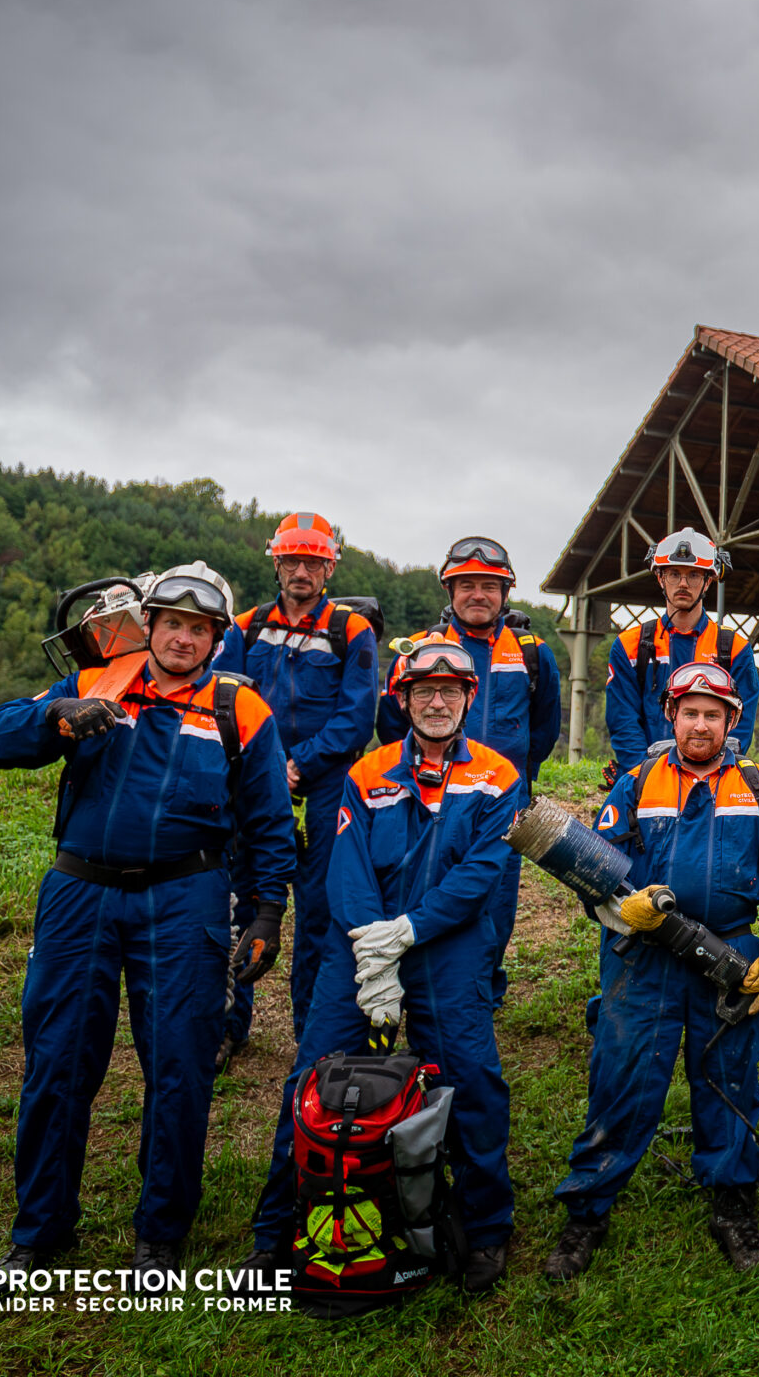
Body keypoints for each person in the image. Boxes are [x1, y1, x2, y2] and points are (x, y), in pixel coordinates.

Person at [0, 563, 293, 1283]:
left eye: (198, 628)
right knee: (57, 1063)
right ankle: (38, 1234)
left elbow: (271, 824)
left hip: (187, 899)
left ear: (217, 639)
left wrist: (266, 910)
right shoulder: (97, 684)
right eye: (171, 623)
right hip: (80, 892)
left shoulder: (241, 709)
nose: (182, 638)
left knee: (180, 1068)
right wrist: (53, 720)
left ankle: (160, 1234)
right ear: (148, 625)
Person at [243, 632, 522, 1294]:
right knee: (311, 1076)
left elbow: (482, 873)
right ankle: (277, 1231)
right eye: (423, 691)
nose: (436, 702)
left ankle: (485, 1229)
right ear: (402, 699)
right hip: (359, 945)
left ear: (467, 698)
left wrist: (410, 931)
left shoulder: (499, 777)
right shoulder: (366, 775)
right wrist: (373, 951)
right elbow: (347, 872)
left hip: (446, 948)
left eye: (449, 692)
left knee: (472, 1080)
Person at [547, 659, 759, 1278]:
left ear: (731, 721)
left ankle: (732, 1204)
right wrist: (621, 907)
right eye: (690, 713)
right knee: (622, 1079)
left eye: (712, 715)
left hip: (732, 956)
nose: (701, 725)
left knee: (729, 1082)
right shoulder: (637, 783)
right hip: (643, 955)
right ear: (672, 716)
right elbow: (591, 873)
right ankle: (586, 1211)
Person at [215, 511, 380, 1060]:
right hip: (251, 784)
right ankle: (228, 1025)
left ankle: (311, 1032)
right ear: (277, 564)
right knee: (240, 899)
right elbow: (224, 705)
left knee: (318, 909)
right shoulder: (243, 628)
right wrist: (263, 767)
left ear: (328, 567)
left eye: (313, 561)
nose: (301, 571)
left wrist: (298, 764)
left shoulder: (351, 630)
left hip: (327, 784)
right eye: (292, 561)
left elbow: (358, 716)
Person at [378, 535, 562, 1007]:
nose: (478, 594)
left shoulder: (532, 652)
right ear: (449, 590)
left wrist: (516, 777)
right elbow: (389, 723)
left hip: (502, 801)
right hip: (429, 797)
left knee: (495, 898)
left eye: (489, 585)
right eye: (467, 585)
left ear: (506, 592)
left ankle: (481, 992)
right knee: (423, 888)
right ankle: (416, 984)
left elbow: (544, 728)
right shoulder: (419, 649)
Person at [603, 529, 759, 775]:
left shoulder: (734, 649)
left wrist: (705, 772)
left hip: (711, 778)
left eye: (694, 575)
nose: (683, 584)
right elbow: (623, 721)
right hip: (646, 775)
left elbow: (739, 724)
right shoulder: (630, 646)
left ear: (709, 580)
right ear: (660, 578)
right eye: (674, 574)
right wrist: (644, 775)